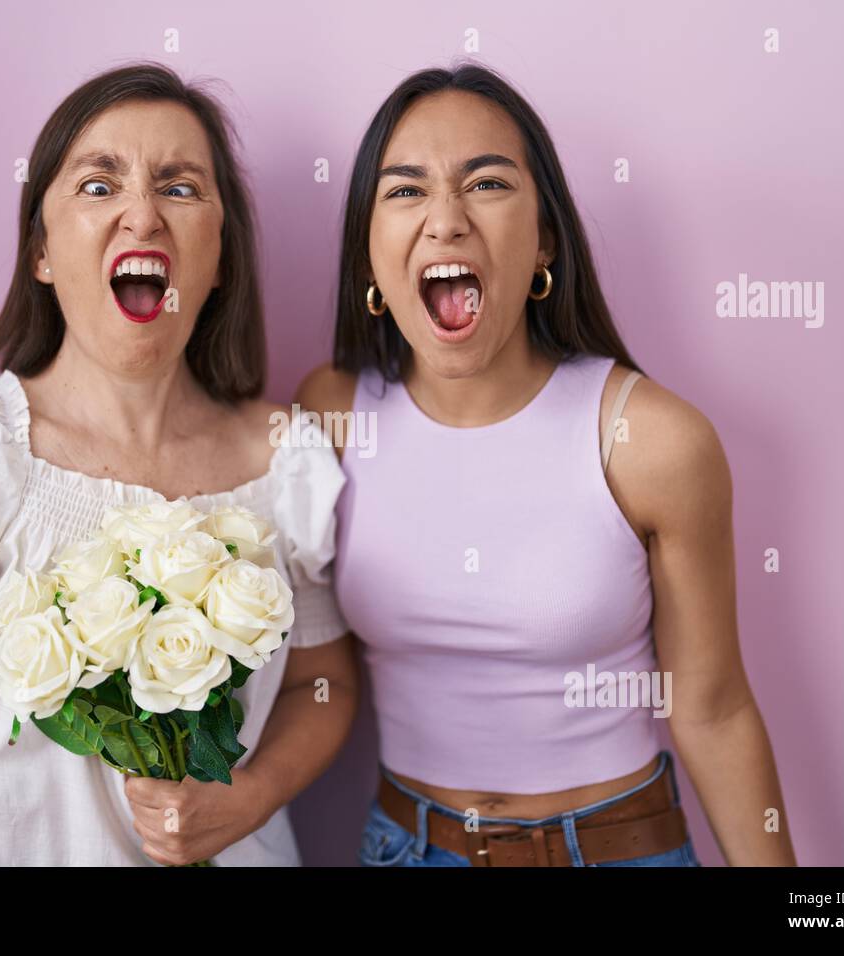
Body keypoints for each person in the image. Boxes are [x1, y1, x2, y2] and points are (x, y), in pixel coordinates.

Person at [0, 62, 358, 866]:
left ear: (220, 257)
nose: (142, 214)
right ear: (43, 253)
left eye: (180, 187)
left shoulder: (284, 460)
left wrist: (250, 797)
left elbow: (321, 688)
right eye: (98, 185)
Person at [296, 62, 795, 867]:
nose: (446, 221)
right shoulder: (331, 416)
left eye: (486, 183)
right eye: (405, 190)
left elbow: (713, 708)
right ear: (369, 264)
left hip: (614, 848)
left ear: (545, 242)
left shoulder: (653, 441)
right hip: (403, 848)